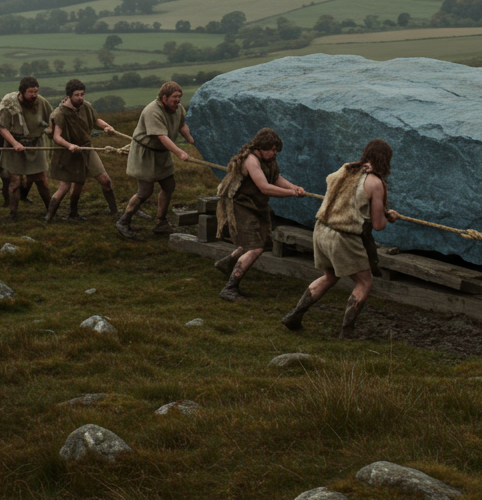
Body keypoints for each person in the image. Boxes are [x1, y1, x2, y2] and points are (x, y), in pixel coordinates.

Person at [281, 139, 398, 338]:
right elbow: (378, 225)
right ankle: (347, 331)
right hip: (343, 236)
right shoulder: (375, 183)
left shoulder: (345, 169)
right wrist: (390, 216)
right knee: (364, 282)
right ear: (386, 159)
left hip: (321, 229)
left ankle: (294, 315)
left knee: (330, 276)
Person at [213, 128, 305, 301]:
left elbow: (275, 177)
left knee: (260, 242)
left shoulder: (268, 159)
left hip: (258, 205)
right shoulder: (250, 160)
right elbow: (265, 187)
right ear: (260, 147)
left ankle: (227, 263)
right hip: (241, 205)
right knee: (255, 247)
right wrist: (291, 194)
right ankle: (230, 288)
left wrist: (293, 187)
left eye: (276, 149)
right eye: (271, 149)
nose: (273, 153)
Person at [118, 81, 195, 239]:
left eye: (180, 96)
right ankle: (123, 221)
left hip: (161, 153)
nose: (178, 100)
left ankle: (161, 223)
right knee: (145, 191)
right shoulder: (153, 111)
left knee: (169, 186)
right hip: (146, 154)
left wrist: (192, 140)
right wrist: (180, 152)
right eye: (175, 97)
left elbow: (182, 126)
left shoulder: (178, 109)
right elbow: (161, 136)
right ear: (164, 97)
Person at [45, 79, 122, 223]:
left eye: (82, 94)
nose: (80, 98)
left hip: (86, 149)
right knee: (65, 187)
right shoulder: (60, 113)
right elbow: (56, 137)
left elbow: (95, 120)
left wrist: (106, 127)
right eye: (77, 95)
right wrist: (69, 146)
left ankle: (115, 213)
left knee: (105, 181)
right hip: (67, 153)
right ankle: (49, 218)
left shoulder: (85, 106)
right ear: (69, 96)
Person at [0, 76, 54, 221]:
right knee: (15, 181)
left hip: (36, 145)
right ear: (22, 92)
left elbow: (53, 118)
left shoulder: (41, 102)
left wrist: (52, 130)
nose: (34, 95)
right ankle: (13, 214)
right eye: (30, 92)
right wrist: (14, 143)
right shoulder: (9, 104)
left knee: (42, 180)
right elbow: (1, 126)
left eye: (36, 92)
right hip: (15, 145)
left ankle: (51, 211)